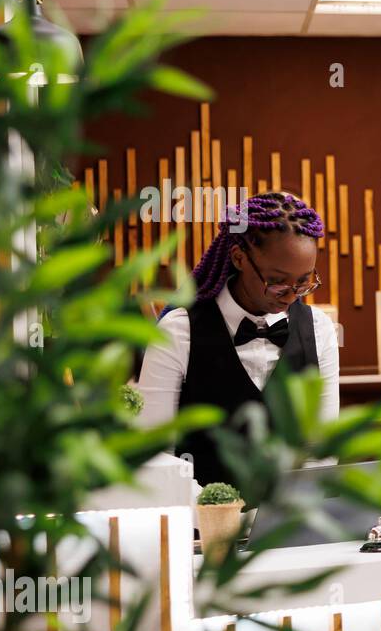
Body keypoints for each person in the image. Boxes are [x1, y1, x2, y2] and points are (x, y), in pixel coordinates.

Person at [138, 192, 339, 487]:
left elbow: (319, 449)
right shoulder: (178, 331)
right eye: (278, 281)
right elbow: (155, 453)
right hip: (199, 524)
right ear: (239, 258)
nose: (292, 294)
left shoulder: (319, 330)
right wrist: (214, 509)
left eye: (303, 281)